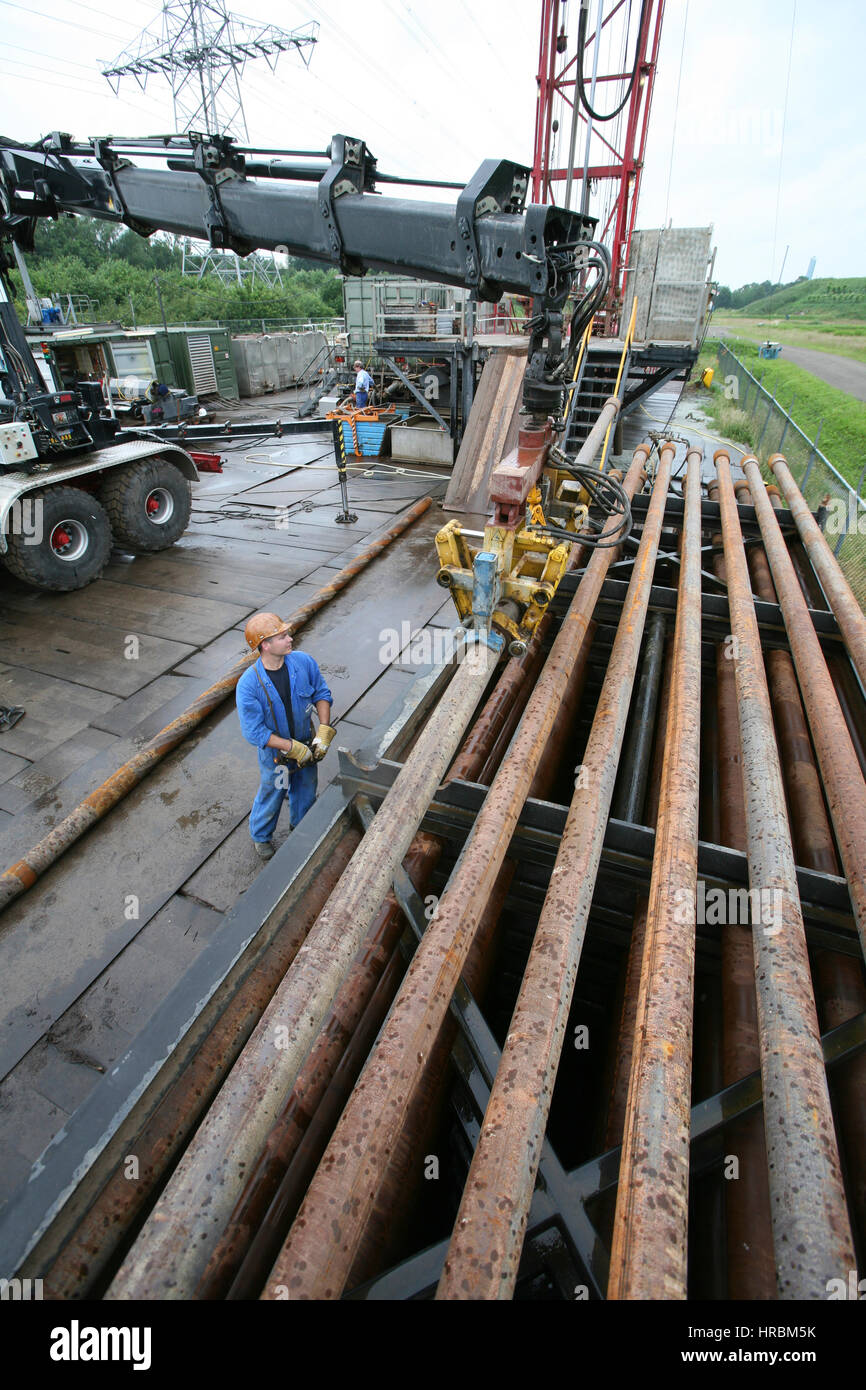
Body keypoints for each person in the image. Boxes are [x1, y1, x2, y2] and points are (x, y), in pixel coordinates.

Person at [236, 612, 335, 860]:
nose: (290, 639)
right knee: (274, 791)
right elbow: (254, 731)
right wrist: (290, 747)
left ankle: (300, 827)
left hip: (307, 742)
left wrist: (323, 730)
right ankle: (261, 836)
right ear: (265, 645)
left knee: (306, 787)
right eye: (282, 636)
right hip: (276, 755)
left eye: (287, 634)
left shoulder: (303, 663)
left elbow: (322, 694)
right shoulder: (249, 685)